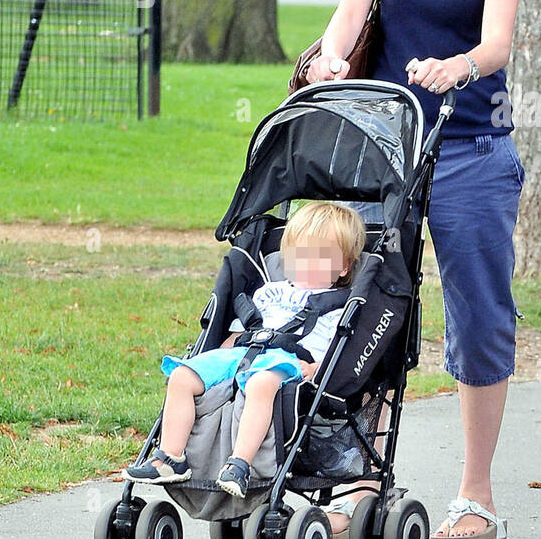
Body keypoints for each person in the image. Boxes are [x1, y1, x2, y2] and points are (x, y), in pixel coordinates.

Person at [307, 0, 526, 539]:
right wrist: (331, 60)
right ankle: (359, 477)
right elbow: (351, 11)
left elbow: (498, 39)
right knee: (370, 305)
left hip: (471, 146)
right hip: (388, 146)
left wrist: (462, 65)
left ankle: (476, 496)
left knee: (478, 315)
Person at [128, 201, 366, 497]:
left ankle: (239, 464)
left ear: (343, 266)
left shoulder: (338, 306)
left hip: (288, 360)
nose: (308, 261)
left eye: (321, 255)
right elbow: (239, 332)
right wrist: (219, 357)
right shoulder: (269, 291)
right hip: (244, 351)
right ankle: (170, 457)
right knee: (182, 375)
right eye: (300, 253)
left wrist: (317, 369)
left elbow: (339, 352)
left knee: (261, 383)